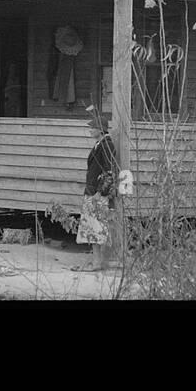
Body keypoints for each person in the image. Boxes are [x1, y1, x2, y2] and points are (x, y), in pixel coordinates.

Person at [78, 106, 119, 270]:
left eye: (92, 128)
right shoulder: (100, 144)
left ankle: (97, 263)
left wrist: (99, 193)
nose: (90, 130)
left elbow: (109, 172)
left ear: (100, 130)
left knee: (96, 228)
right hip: (92, 191)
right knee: (92, 228)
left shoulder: (106, 145)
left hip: (97, 193)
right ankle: (97, 261)